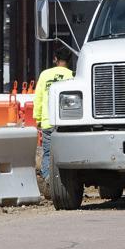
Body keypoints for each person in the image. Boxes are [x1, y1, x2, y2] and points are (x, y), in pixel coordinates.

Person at [34, 47, 74, 180]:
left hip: (47, 121)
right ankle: (64, 181)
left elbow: (38, 98)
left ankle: (48, 181)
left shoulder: (44, 75)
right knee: (67, 153)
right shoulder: (72, 76)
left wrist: (38, 118)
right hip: (67, 123)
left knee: (48, 153)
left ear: (55, 59)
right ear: (69, 60)